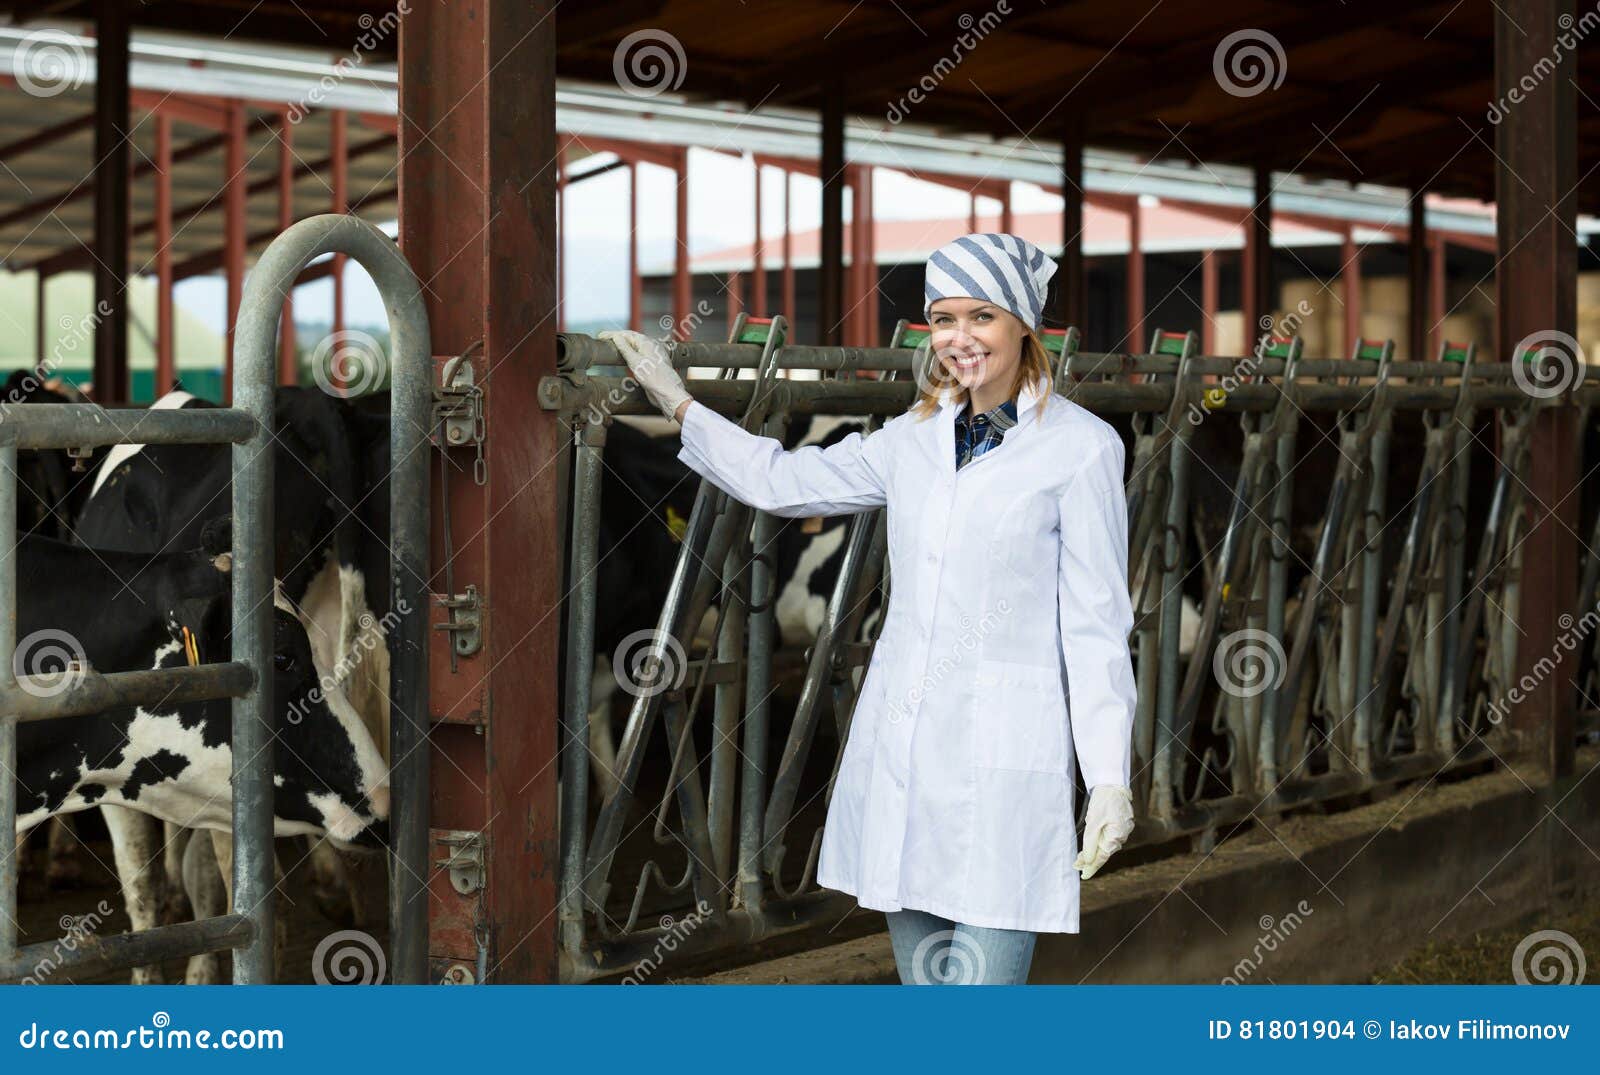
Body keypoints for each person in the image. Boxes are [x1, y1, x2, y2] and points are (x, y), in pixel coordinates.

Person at [600, 233, 1137, 985]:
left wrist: (1110, 772)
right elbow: (784, 481)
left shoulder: (1082, 448)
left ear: (1024, 323)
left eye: (981, 316)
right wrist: (677, 402)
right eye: (943, 318)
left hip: (1005, 765)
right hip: (906, 751)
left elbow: (1096, 622)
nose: (959, 338)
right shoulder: (911, 438)